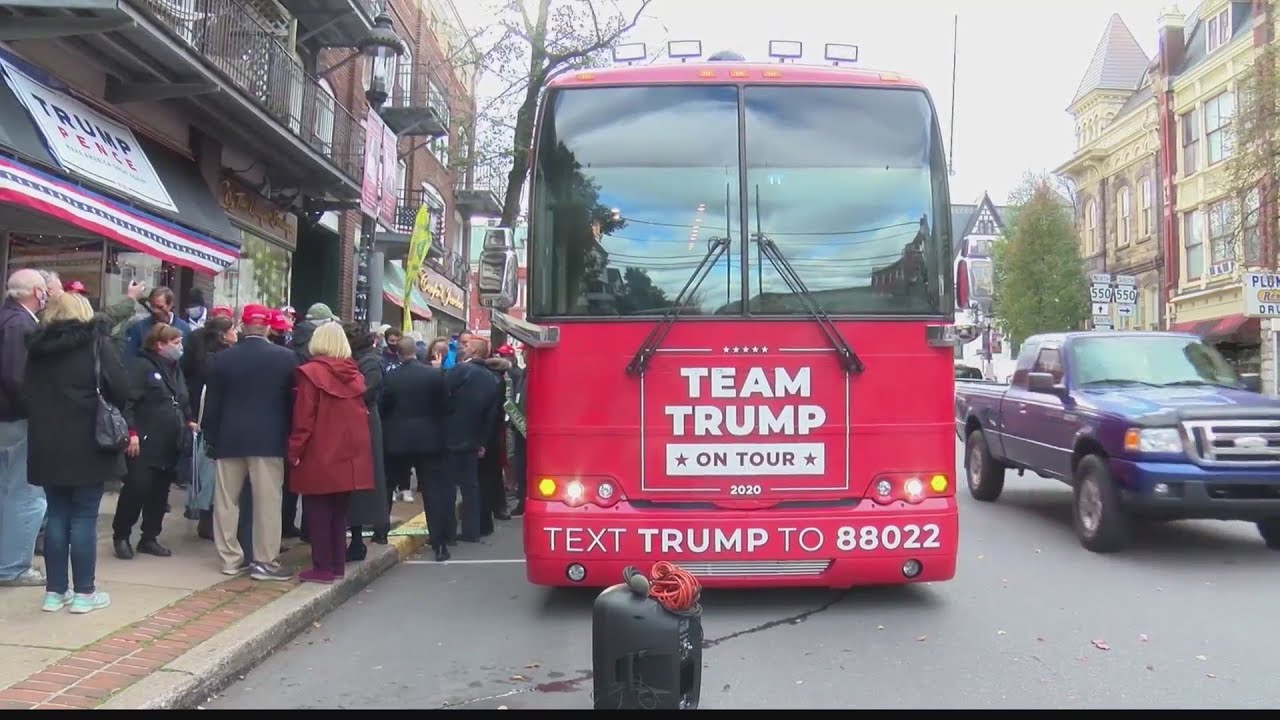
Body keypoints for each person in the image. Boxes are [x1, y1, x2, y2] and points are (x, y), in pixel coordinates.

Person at [23, 293, 131, 613]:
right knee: (84, 517)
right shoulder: (96, 344)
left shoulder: (36, 349)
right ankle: (85, 592)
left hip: (46, 441)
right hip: (89, 441)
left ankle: (55, 592)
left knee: (56, 515)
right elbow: (121, 389)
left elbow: (25, 390)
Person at [202, 304, 299, 581]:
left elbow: (213, 403)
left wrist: (211, 438)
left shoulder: (224, 358)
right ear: (268, 327)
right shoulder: (286, 358)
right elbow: (293, 402)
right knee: (268, 502)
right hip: (269, 439)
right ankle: (265, 561)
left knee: (226, 502)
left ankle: (230, 558)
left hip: (229, 437)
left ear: (242, 326)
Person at [287, 324, 374, 583]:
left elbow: (304, 418)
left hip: (319, 451)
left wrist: (294, 450)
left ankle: (322, 567)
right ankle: (336, 564)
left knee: (318, 512)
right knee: (338, 512)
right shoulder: (354, 375)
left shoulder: (310, 373)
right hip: (350, 454)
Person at [113, 323, 195, 560]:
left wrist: (189, 419)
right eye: (175, 342)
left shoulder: (174, 368)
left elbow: (181, 397)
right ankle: (122, 535)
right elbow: (129, 401)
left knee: (160, 491)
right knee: (137, 488)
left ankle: (149, 536)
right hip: (145, 439)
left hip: (170, 440)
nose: (180, 347)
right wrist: (132, 432)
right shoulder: (142, 366)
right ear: (160, 344)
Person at [0, 269, 50, 587]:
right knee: (27, 494)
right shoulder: (21, 324)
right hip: (17, 418)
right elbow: (17, 376)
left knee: (8, 491)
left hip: (7, 417)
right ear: (36, 291)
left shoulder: (8, 319)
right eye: (45, 289)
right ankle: (14, 566)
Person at [381, 336, 448, 560]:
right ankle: (440, 544)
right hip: (429, 439)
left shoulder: (391, 377)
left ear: (398, 354)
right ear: (416, 353)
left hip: (397, 439)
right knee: (432, 492)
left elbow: (383, 407)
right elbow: (445, 405)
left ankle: (381, 533)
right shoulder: (434, 375)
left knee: (388, 486)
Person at [443, 338, 501, 543]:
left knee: (448, 487)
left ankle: (447, 532)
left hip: (451, 435)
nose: (464, 348)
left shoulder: (461, 371)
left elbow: (443, 392)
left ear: (475, 350)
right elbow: (490, 414)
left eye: (467, 346)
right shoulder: (491, 378)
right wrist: (482, 441)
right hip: (474, 439)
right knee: (470, 486)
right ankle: (471, 530)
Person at [342, 323, 389, 558]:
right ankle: (356, 534)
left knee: (364, 481)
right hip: (359, 421)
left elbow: (366, 392)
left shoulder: (369, 362)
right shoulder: (364, 360)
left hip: (365, 422)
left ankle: (364, 535)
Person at [479, 351, 513, 531]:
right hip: (498, 430)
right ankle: (499, 506)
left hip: (491, 432)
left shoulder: (493, 383)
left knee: (487, 473)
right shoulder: (504, 382)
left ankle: (494, 507)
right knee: (495, 472)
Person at [498, 344, 528, 516]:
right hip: (518, 426)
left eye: (524, 350)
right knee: (518, 462)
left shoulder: (521, 373)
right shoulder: (524, 373)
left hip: (525, 427)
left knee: (521, 463)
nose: (523, 353)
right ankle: (521, 498)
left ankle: (522, 496)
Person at [123, 287, 193, 358]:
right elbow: (130, 356)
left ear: (170, 305)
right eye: (152, 306)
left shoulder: (184, 328)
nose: (155, 311)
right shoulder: (139, 328)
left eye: (160, 307)